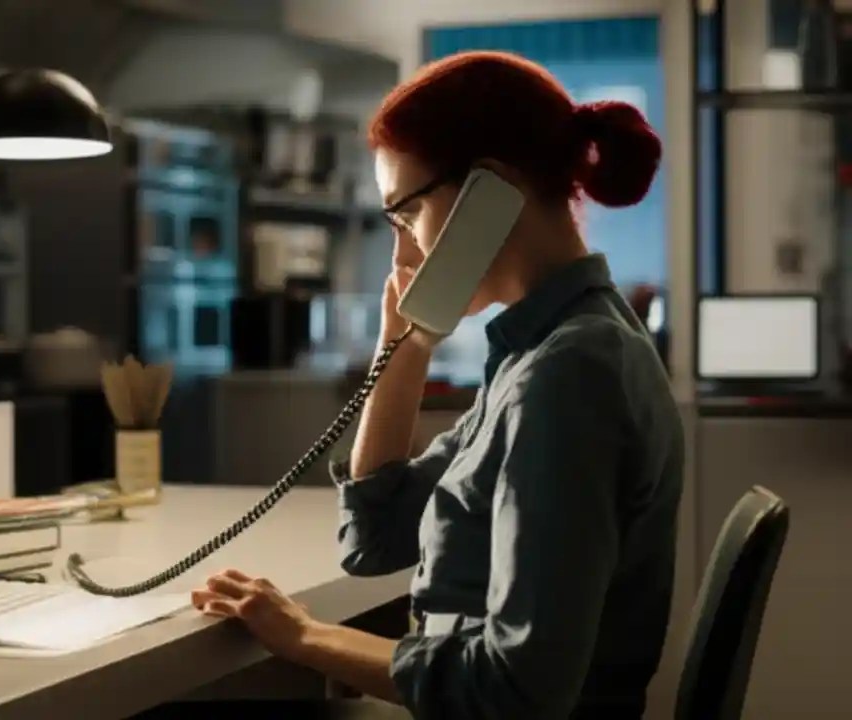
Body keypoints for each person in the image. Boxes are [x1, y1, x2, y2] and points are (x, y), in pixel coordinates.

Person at [169, 51, 684, 719]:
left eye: (405, 217)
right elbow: (374, 535)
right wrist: (404, 345)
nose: (404, 255)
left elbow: (516, 693)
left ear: (488, 193)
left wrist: (305, 636)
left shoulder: (568, 372)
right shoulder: (539, 352)